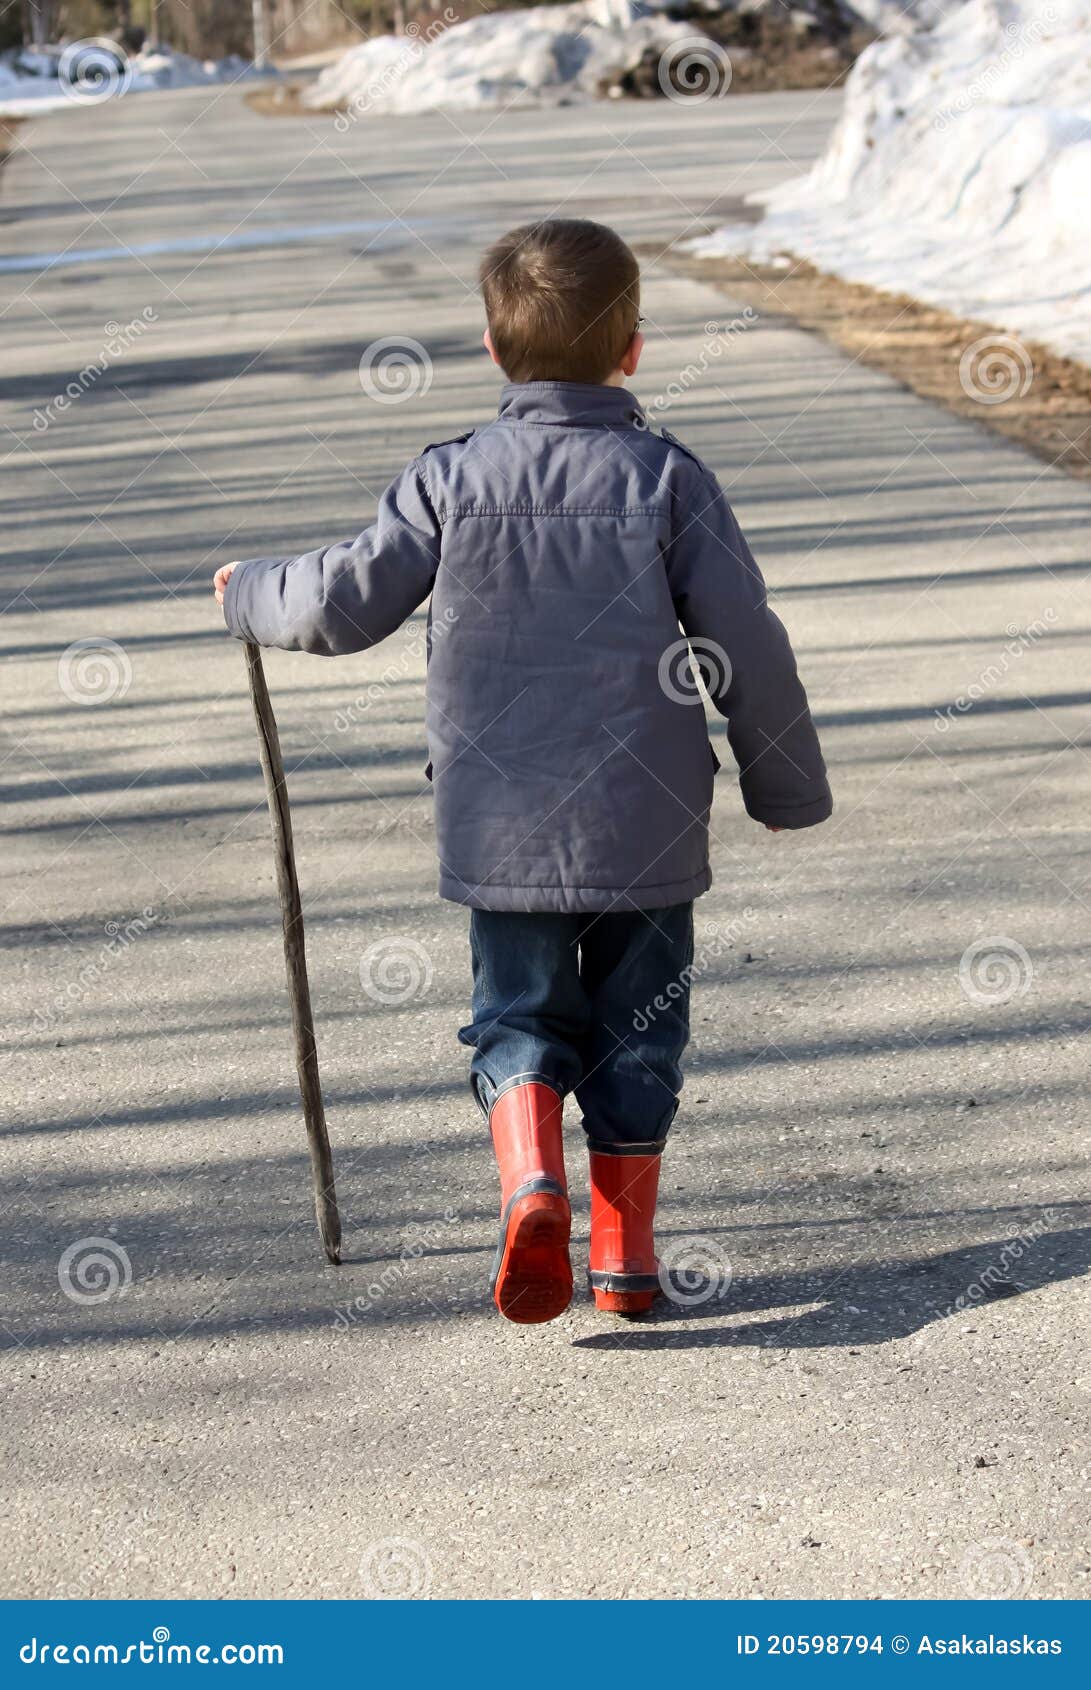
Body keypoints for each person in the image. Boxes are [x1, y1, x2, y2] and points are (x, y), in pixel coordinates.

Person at [213, 218, 831, 1327]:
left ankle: (529, 1178)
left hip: (499, 828)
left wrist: (245, 589)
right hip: (646, 827)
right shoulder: (668, 480)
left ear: (495, 352)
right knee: (644, 1025)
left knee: (517, 1016)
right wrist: (780, 782)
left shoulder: (450, 478)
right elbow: (748, 636)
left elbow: (341, 601)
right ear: (632, 348)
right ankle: (624, 1254)